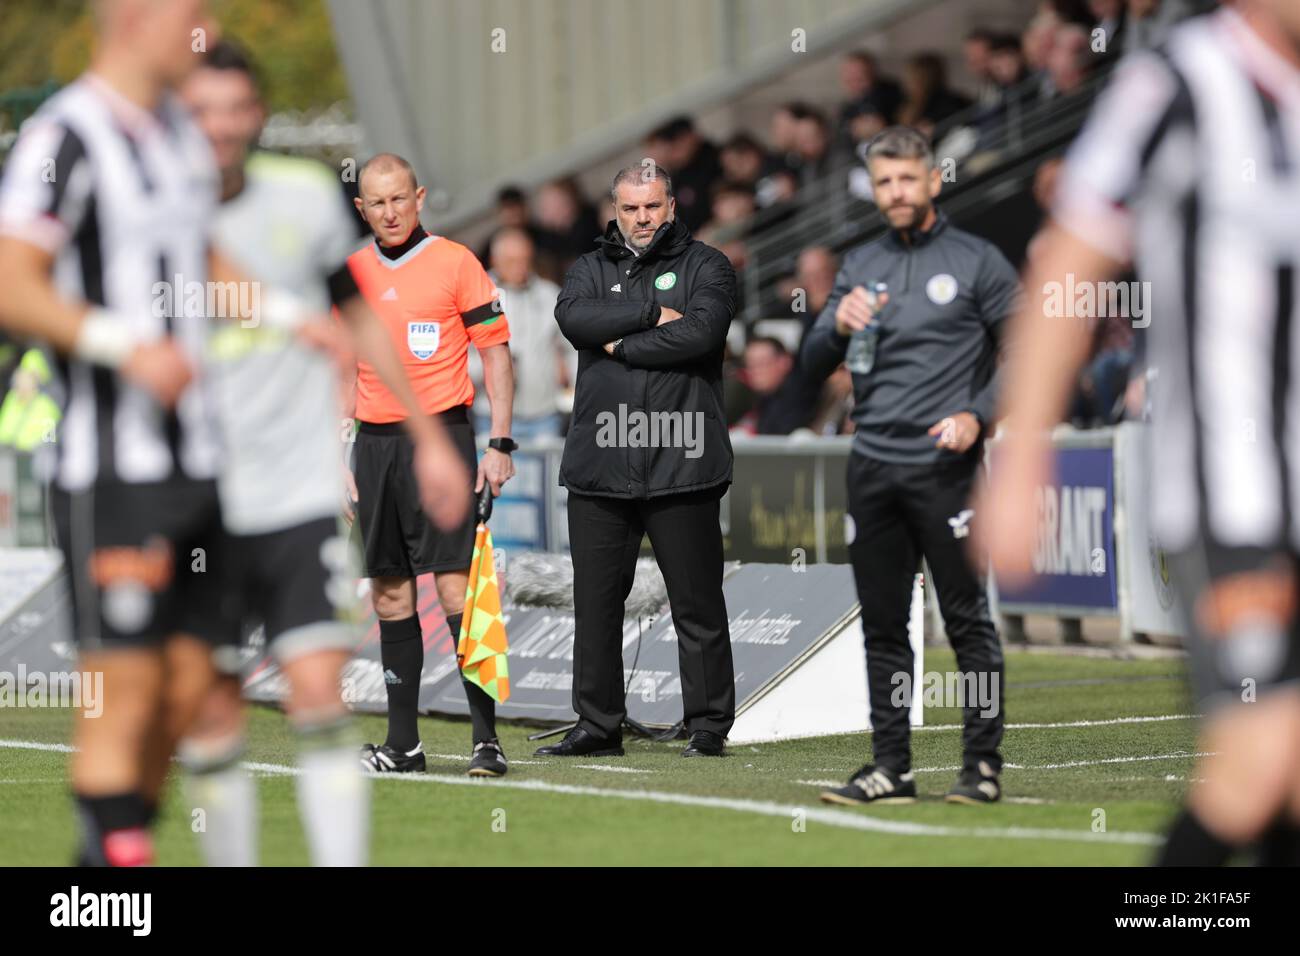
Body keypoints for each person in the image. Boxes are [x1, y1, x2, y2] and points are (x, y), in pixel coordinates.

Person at [983, 0, 1300, 866]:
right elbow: (1067, 272)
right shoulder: (1179, 83)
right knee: (1262, 761)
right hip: (1236, 495)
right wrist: (1021, 460)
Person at [176, 40, 470, 866]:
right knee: (213, 704)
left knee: (317, 687)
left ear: (258, 114)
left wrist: (426, 437)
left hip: (294, 484)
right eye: (205, 111)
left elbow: (361, 319)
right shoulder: (156, 198)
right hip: (196, 486)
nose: (223, 127)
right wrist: (273, 313)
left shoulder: (306, 196)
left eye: (238, 109)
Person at [0, 0, 237, 866]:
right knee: (124, 690)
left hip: (201, 460)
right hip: (112, 469)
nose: (204, 24)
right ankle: (105, 881)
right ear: (132, 14)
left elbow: (198, 255)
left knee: (197, 691)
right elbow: (10, 280)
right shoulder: (64, 136)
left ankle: (102, 855)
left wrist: (299, 318)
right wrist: (123, 346)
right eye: (191, 9)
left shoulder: (178, 130)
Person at [801, 126, 1019, 806]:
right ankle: (890, 766)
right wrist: (837, 325)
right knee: (883, 625)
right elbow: (811, 364)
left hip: (945, 468)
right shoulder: (860, 263)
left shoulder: (978, 259)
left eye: (906, 179)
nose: (895, 192)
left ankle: (981, 767)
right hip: (872, 467)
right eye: (883, 182)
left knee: (965, 622)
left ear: (933, 179)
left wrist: (978, 415)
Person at [541, 164, 737, 759]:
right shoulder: (589, 267)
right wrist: (653, 316)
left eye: (652, 207)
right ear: (616, 209)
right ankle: (597, 726)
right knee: (596, 602)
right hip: (601, 462)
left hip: (683, 460)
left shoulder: (708, 264)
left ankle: (707, 726)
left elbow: (704, 334)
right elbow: (573, 319)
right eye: (630, 209)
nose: (642, 218)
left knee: (696, 603)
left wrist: (618, 342)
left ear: (671, 206)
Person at [348, 153, 516, 777]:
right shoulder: (349, 273)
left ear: (418, 197)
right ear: (361, 208)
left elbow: (497, 353)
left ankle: (486, 741)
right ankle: (403, 747)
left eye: (399, 199)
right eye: (377, 203)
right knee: (391, 592)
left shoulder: (455, 262)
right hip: (373, 446)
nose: (390, 212)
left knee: (455, 587)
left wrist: (500, 442)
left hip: (442, 439)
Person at [468, 227, 570, 439]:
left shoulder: (549, 294)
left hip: (544, 414)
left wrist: (569, 380)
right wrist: (491, 370)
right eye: (511, 261)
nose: (519, 267)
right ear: (495, 259)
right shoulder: (476, 293)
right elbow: (461, 355)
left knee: (547, 473)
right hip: (490, 414)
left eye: (524, 260)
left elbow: (572, 346)